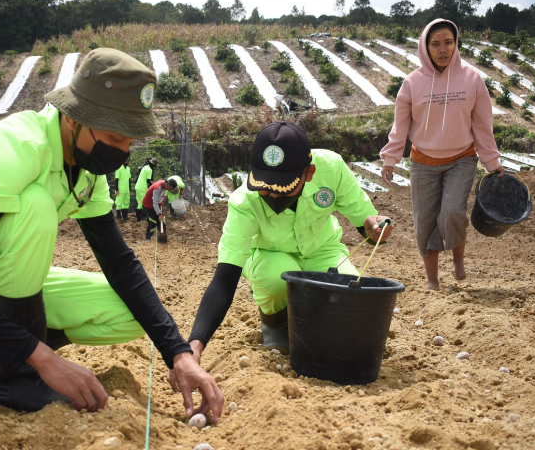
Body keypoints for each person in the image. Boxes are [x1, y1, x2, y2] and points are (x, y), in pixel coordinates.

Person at [0, 48, 223, 418]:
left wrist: (178, 352)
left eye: (131, 141)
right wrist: (44, 360)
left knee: (129, 314)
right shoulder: (17, 149)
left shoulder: (86, 171)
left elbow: (119, 262)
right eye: (116, 137)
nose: (123, 151)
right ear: (74, 119)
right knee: (34, 206)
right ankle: (15, 380)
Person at [171, 121, 393, 371]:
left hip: (323, 250)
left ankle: (313, 326)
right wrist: (195, 344)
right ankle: (275, 324)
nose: (274, 196)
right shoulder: (244, 202)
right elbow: (224, 280)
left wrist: (376, 229)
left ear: (309, 174)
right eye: (266, 191)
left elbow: (367, 224)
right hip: (270, 255)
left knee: (350, 301)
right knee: (277, 279)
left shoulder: (331, 169)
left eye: (283, 190)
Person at [379, 19, 505, 290]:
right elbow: (400, 126)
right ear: (425, 47)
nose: (443, 49)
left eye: (448, 42)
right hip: (423, 160)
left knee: (450, 213)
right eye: (435, 43)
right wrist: (390, 158)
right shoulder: (412, 83)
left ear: (456, 43)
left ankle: (458, 256)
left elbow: (483, 125)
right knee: (424, 221)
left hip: (461, 158)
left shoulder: (472, 79)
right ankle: (432, 279)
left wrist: (492, 162)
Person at [134, 157, 156, 221]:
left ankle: (139, 218)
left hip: (137, 187)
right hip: (143, 188)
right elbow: (149, 181)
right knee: (144, 202)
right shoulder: (149, 169)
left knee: (139, 203)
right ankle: (144, 217)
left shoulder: (145, 167)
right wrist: (153, 186)